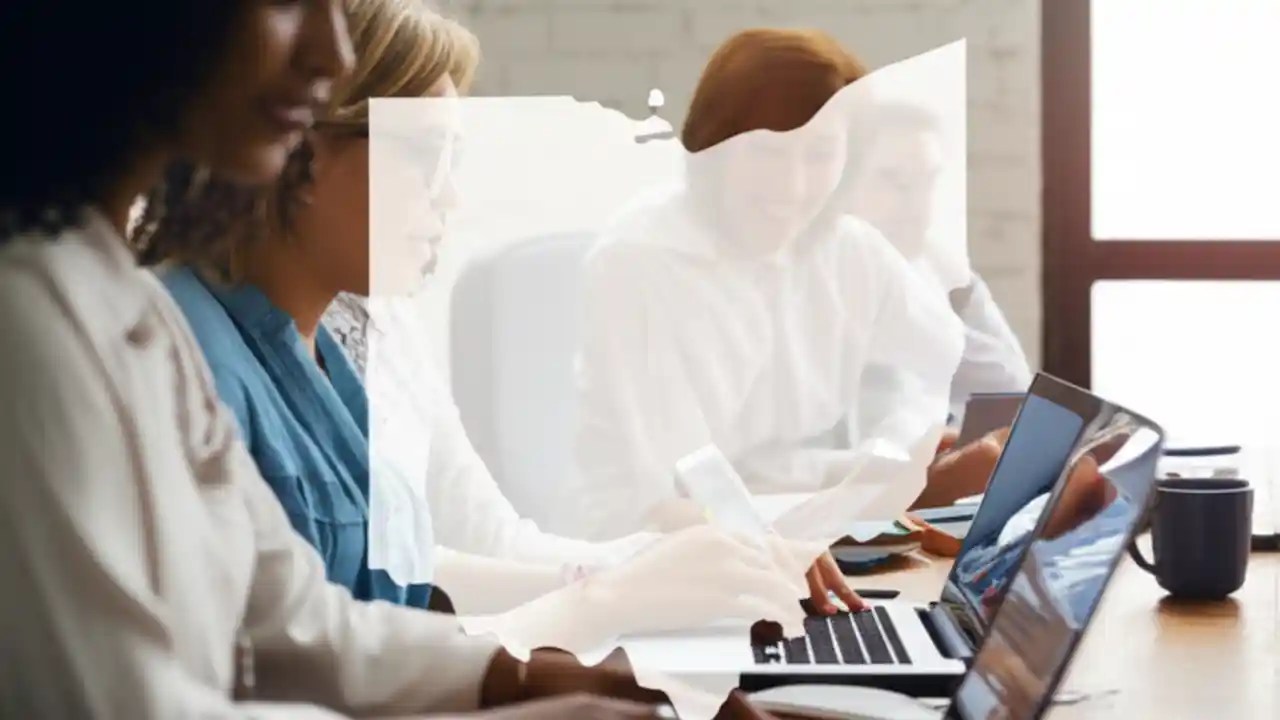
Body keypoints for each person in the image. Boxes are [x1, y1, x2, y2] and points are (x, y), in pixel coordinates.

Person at [0, 2, 744, 717]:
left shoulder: (148, 314)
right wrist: (566, 661)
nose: (333, 54)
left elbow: (304, 625)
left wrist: (536, 678)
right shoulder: (42, 318)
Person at [135, 0, 850, 637]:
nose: (449, 198)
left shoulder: (331, 346)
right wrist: (613, 598)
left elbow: (417, 577)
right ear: (301, 146)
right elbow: (327, 653)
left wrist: (681, 570)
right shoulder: (188, 364)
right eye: (424, 155)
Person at [573, 28, 1006, 541]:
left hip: (788, 519)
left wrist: (901, 450)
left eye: (819, 154)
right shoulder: (641, 263)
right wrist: (860, 493)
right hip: (655, 543)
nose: (793, 186)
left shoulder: (847, 248)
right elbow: (670, 492)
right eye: (766, 151)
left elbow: (951, 363)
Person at [844, 101, 1032, 426]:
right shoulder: (818, 281)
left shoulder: (945, 274)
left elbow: (1017, 390)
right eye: (893, 180)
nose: (917, 203)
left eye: (927, 181)